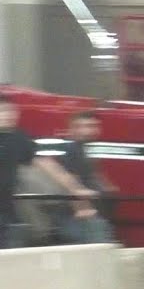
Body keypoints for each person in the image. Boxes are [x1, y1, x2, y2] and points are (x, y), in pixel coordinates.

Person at [0, 94, 99, 248]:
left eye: (12, 111)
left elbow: (47, 165)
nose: (9, 115)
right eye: (3, 110)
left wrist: (76, 189)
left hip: (10, 215)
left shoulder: (19, 138)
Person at [52, 111, 116, 245]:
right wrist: (83, 209)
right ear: (73, 129)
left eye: (94, 126)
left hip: (86, 217)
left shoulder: (85, 151)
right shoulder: (71, 150)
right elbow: (69, 182)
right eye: (85, 126)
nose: (90, 130)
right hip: (81, 218)